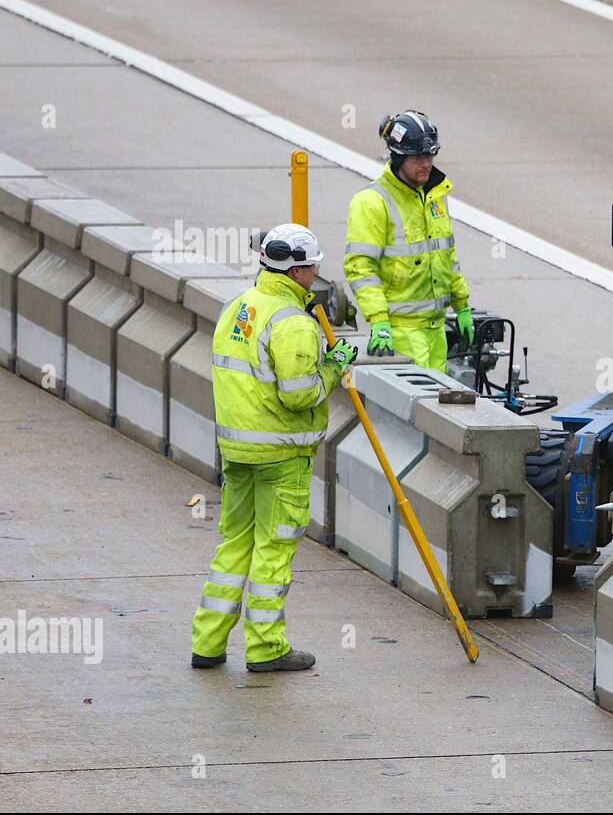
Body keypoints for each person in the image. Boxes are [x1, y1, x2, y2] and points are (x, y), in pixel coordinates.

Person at [191, 224, 358, 671]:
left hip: (236, 451)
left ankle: (207, 644)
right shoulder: (293, 323)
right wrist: (334, 365)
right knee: (274, 548)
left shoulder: (237, 307)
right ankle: (266, 648)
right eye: (314, 267)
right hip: (282, 457)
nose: (317, 274)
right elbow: (300, 395)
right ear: (299, 271)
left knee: (234, 546)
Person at [344, 110, 473, 371]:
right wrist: (379, 320)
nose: (426, 163)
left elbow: (447, 256)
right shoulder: (372, 202)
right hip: (400, 333)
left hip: (437, 330)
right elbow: (360, 267)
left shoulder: (435, 197)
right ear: (398, 157)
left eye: (429, 155)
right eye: (417, 157)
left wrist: (462, 306)